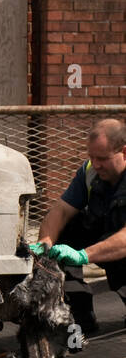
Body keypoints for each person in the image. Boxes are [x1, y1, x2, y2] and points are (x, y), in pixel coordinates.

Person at [31, 118, 126, 333]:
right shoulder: (91, 171)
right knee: (63, 230)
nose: (96, 164)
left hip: (122, 246)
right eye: (91, 157)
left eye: (102, 158)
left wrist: (83, 255)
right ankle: (80, 317)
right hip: (108, 236)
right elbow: (61, 210)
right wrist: (45, 243)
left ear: (124, 152)